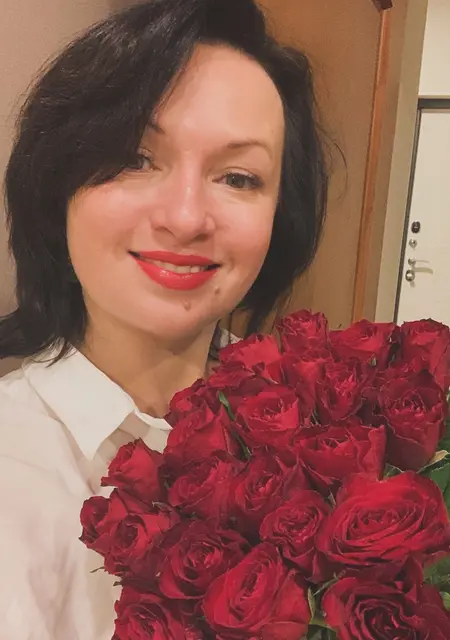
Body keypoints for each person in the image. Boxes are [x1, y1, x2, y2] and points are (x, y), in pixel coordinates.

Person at [0, 0, 328, 637]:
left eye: (238, 177)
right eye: (136, 158)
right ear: (58, 185)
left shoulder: (315, 437)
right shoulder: (16, 471)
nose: (184, 218)